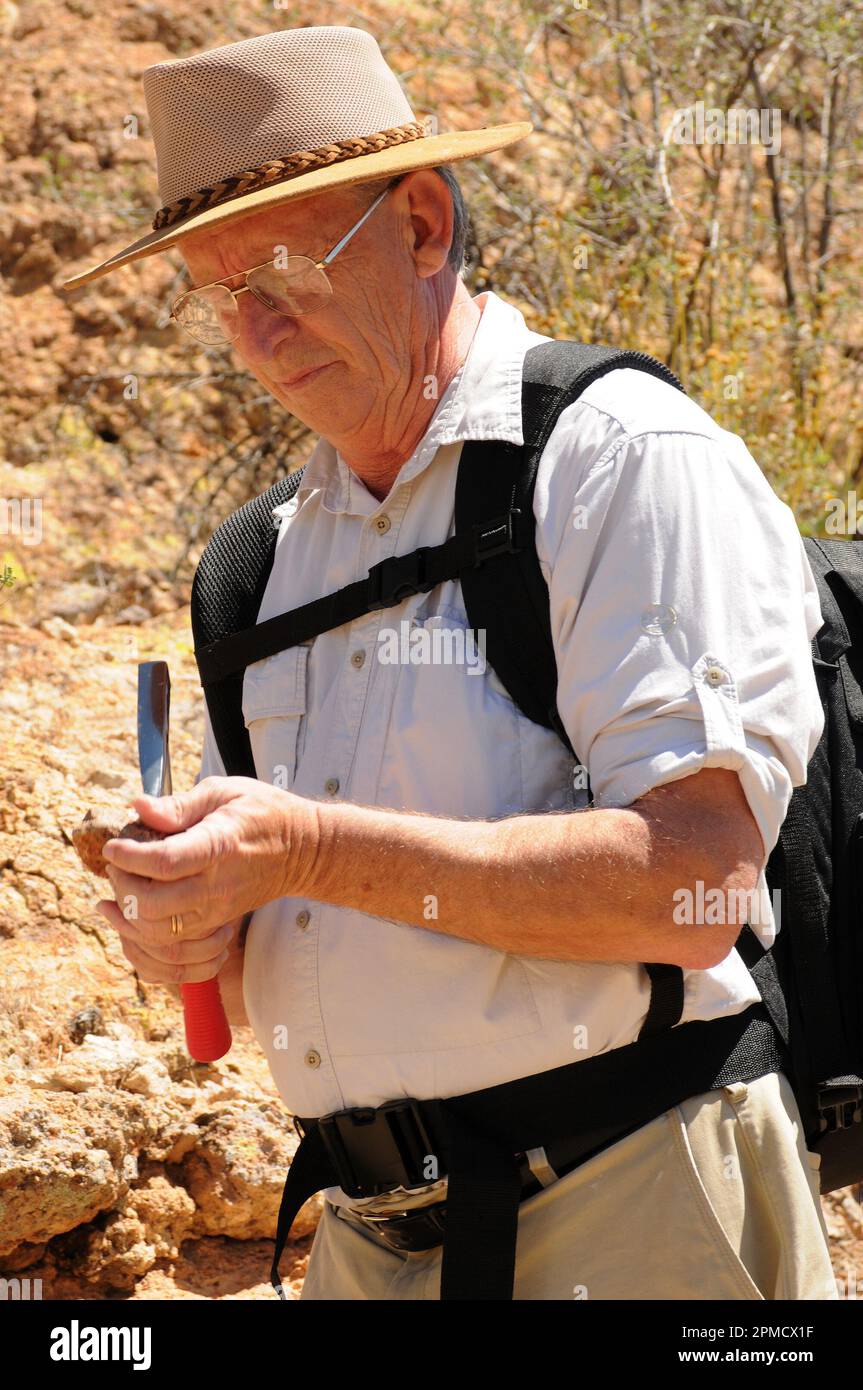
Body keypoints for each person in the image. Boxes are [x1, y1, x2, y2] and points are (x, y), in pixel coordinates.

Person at [63, 25, 837, 1300]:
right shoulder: (260, 565)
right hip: (371, 1244)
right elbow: (296, 936)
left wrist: (304, 848)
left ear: (422, 225)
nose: (254, 333)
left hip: (636, 1208)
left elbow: (690, 885)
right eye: (217, 292)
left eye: (279, 266)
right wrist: (194, 926)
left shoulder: (614, 457)